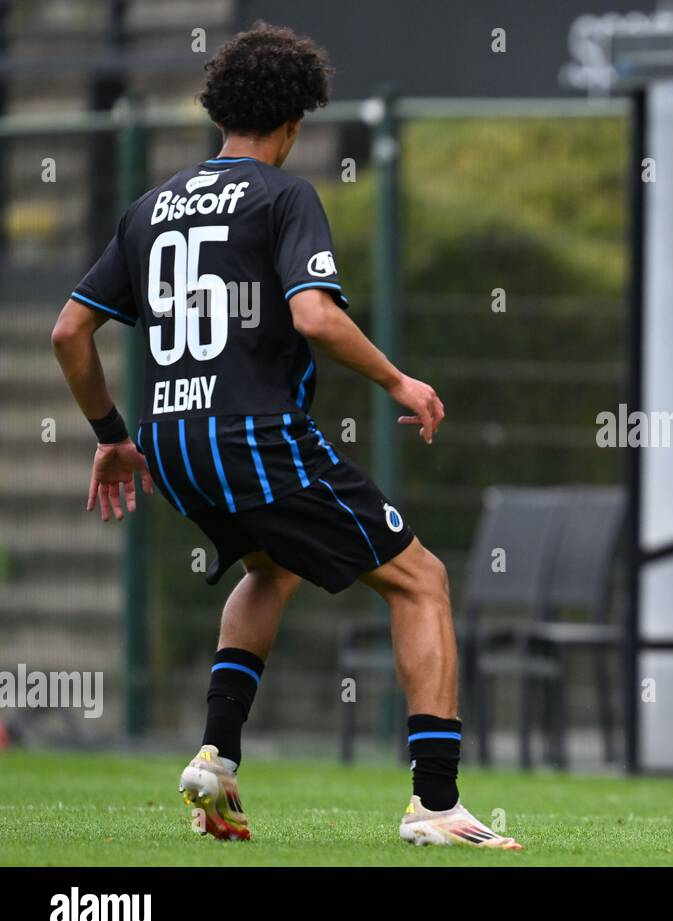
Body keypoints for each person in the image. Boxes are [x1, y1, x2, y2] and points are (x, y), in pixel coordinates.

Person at [50, 23, 519, 849]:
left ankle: (216, 758)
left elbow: (68, 333)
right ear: (295, 123)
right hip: (251, 433)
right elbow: (314, 316)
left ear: (218, 110)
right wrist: (399, 381)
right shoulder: (284, 195)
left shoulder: (150, 206)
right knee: (422, 581)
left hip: (170, 438)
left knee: (274, 566)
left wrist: (111, 434)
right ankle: (437, 806)